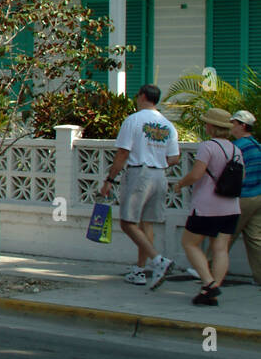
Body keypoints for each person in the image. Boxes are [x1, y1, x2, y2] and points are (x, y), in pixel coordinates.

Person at [100, 84, 181, 288]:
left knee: (128, 223)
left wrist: (110, 179)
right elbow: (174, 158)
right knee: (147, 223)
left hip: (140, 172)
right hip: (159, 174)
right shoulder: (167, 125)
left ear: (143, 96)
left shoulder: (134, 120)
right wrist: (157, 161)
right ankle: (140, 270)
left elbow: (123, 153)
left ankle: (158, 261)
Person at [172, 108, 243, 305]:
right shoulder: (236, 149)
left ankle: (209, 283)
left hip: (207, 206)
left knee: (189, 243)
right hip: (230, 207)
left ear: (211, 127)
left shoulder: (207, 147)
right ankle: (209, 290)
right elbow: (241, 177)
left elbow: (196, 174)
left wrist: (179, 184)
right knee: (220, 248)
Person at [228, 109, 261, 285]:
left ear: (242, 125)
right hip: (258, 196)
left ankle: (208, 269)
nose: (231, 126)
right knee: (255, 238)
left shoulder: (238, 147)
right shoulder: (256, 145)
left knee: (225, 236)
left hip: (244, 197)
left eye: (233, 123)